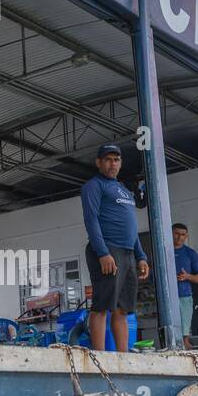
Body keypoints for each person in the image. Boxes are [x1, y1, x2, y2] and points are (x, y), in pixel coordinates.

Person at [80, 144, 148, 351]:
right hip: (108, 250)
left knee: (122, 310)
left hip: (128, 253)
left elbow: (132, 227)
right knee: (101, 306)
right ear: (99, 162)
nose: (113, 163)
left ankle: (123, 357)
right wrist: (103, 253)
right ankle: (99, 357)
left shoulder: (125, 191)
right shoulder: (94, 186)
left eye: (116, 160)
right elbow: (91, 220)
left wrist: (141, 256)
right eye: (108, 159)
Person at [172, 223, 198, 349]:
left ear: (186, 236)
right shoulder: (162, 250)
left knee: (185, 335)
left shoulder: (190, 253)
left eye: (183, 235)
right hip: (165, 297)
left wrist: (187, 277)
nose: (179, 237)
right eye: (176, 233)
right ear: (170, 233)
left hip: (184, 295)